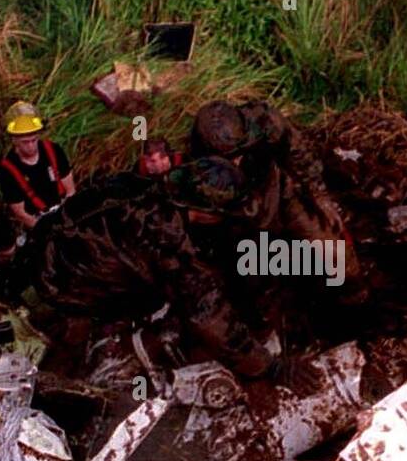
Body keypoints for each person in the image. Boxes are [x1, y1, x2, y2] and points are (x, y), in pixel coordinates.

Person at [22, 159, 277, 380]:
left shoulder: (144, 185)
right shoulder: (166, 238)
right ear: (205, 212)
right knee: (160, 304)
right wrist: (265, 365)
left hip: (47, 242)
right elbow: (206, 316)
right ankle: (85, 343)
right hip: (61, 279)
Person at [189, 99, 366, 302]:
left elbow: (297, 152)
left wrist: (319, 195)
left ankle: (355, 298)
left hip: (281, 194)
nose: (234, 162)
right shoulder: (196, 160)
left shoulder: (264, 122)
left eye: (236, 154)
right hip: (241, 218)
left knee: (334, 252)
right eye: (224, 158)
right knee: (252, 284)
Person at [0, 100, 75, 230]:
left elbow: (70, 190)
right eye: (25, 142)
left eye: (34, 140)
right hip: (37, 221)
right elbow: (21, 213)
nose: (31, 146)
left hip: (64, 212)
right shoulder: (8, 170)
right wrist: (45, 230)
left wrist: (67, 219)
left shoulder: (53, 150)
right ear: (14, 140)